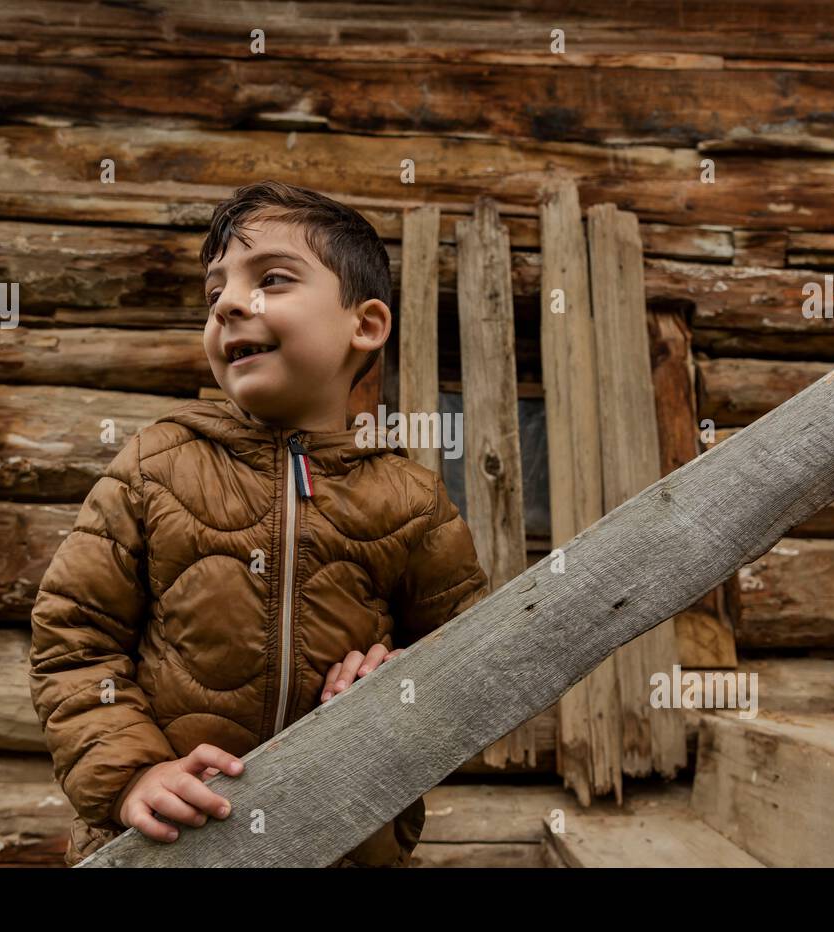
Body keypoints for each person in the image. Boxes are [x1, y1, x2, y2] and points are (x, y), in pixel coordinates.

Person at [28, 180, 490, 867]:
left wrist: (397, 683)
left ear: (364, 325)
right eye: (214, 293)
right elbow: (74, 638)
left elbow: (475, 663)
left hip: (344, 843)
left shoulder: (412, 501)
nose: (230, 305)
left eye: (271, 278)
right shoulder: (155, 466)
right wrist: (130, 774)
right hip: (164, 849)